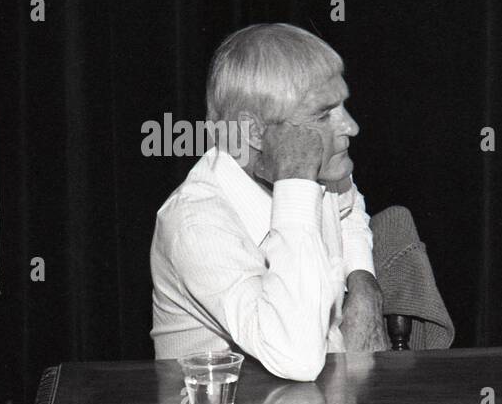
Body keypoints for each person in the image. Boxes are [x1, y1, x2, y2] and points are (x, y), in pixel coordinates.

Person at [150, 23, 388, 381]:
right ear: (255, 132)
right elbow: (297, 358)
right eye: (324, 115)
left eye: (343, 106)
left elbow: (349, 209)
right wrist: (295, 183)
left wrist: (363, 283)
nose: (351, 127)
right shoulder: (195, 224)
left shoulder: (328, 171)